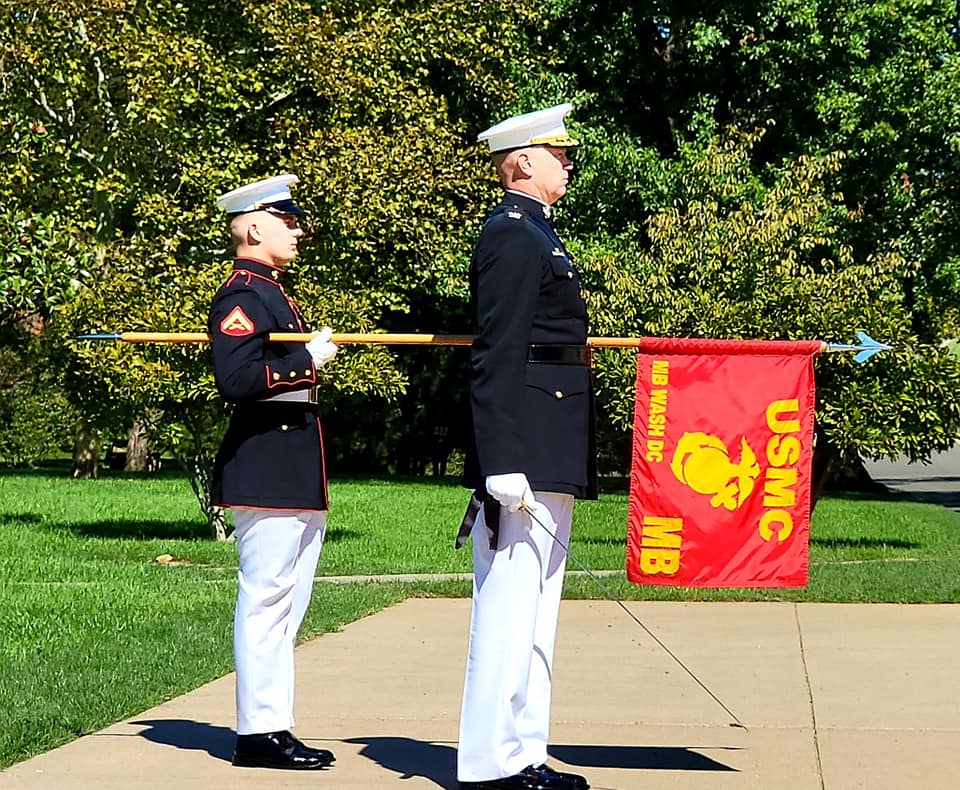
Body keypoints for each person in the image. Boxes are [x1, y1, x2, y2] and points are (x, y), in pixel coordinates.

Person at [456, 104, 596, 790]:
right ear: (522, 162)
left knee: (537, 616)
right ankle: (491, 764)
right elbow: (498, 353)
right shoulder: (512, 235)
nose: (569, 164)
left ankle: (524, 754)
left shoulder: (540, 234)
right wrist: (500, 460)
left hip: (549, 442)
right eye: (559, 153)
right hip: (524, 451)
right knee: (510, 614)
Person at [208, 173, 339, 771]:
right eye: (288, 220)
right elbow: (235, 380)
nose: (299, 229)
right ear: (255, 226)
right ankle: (258, 732)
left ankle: (274, 724)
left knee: (288, 606)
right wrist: (305, 358)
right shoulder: (243, 295)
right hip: (266, 463)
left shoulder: (273, 292)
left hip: (290, 465)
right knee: (266, 602)